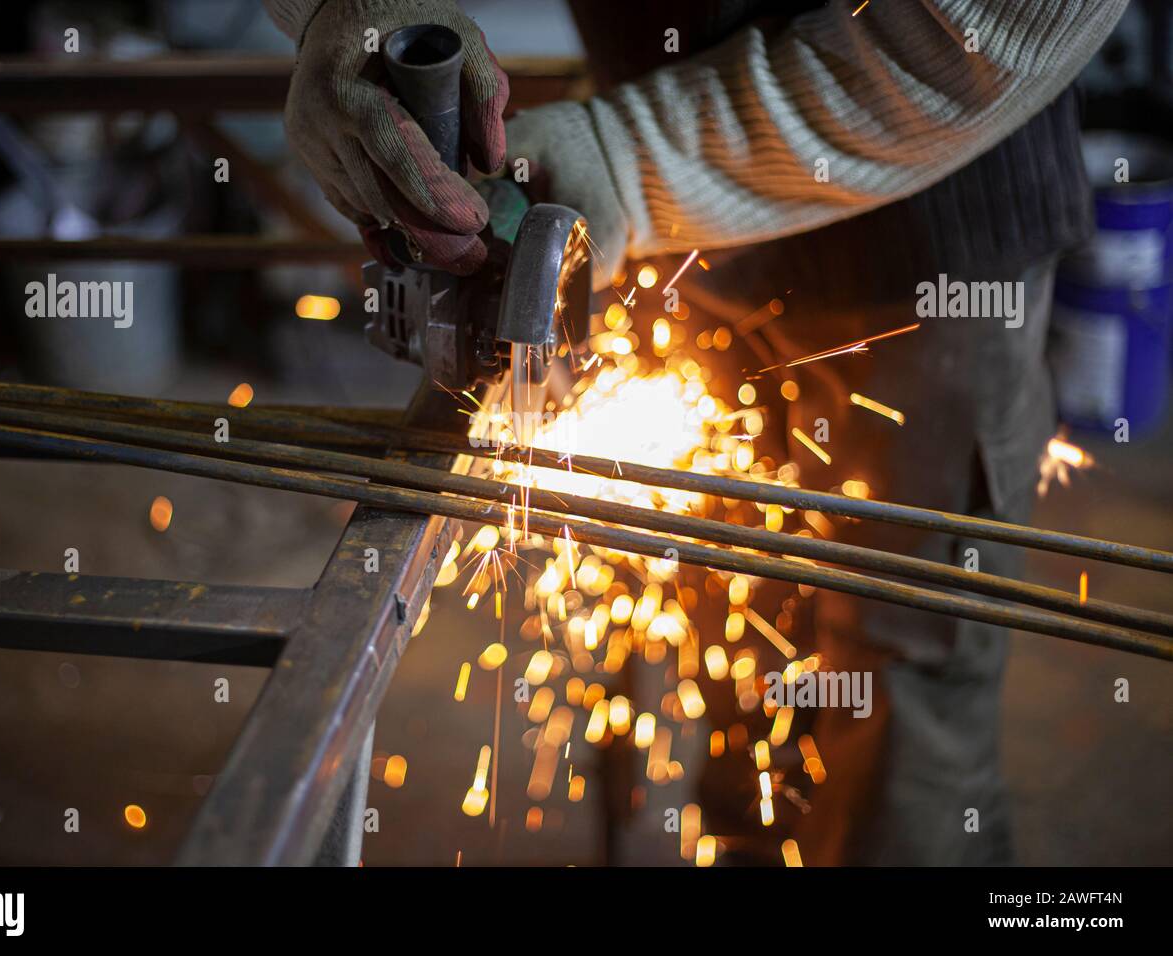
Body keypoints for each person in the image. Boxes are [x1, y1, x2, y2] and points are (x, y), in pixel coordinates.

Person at [264, 0, 1128, 864]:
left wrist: (625, 158)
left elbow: (1001, 31)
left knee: (900, 716)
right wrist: (344, 12)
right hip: (686, 247)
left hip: (937, 253)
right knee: (737, 646)